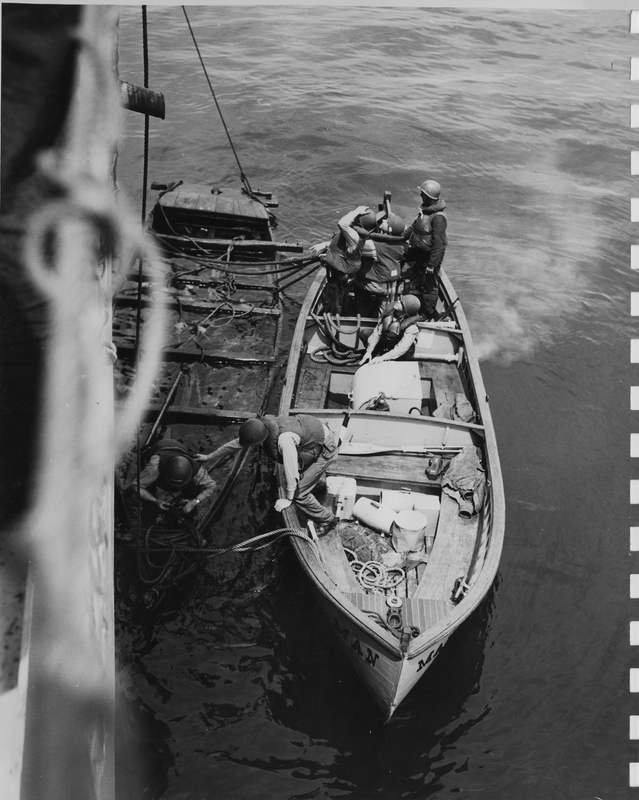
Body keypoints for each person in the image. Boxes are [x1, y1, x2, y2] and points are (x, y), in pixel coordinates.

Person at [196, 415, 338, 534]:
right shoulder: (262, 428)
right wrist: (208, 457)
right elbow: (235, 444)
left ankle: (328, 520)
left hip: (325, 448)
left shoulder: (284, 440)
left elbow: (292, 471)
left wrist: (288, 499)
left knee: (299, 495)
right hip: (313, 436)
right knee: (300, 477)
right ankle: (314, 485)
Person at [309, 205, 377, 314]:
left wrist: (356, 211)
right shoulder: (359, 234)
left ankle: (333, 318)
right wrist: (327, 245)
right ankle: (340, 314)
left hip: (342, 272)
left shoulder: (354, 235)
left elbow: (342, 223)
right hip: (346, 271)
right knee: (341, 295)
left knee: (335, 298)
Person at [401, 179, 448, 318]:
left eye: (423, 194)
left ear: (429, 196)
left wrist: (432, 265)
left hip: (430, 255)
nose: (420, 195)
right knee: (399, 254)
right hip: (419, 250)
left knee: (429, 284)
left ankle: (428, 312)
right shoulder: (425, 211)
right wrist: (399, 239)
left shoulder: (438, 218)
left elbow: (438, 244)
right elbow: (412, 228)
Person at [136, 438, 216, 514]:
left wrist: (195, 501)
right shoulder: (154, 467)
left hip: (179, 448)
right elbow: (136, 486)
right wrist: (155, 500)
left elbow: (212, 486)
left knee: (194, 489)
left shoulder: (197, 470)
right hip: (160, 447)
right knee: (149, 491)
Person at [353, 212, 406, 316]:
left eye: (387, 221)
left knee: (353, 280)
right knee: (385, 312)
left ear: (389, 229)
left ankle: (361, 308)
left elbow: (354, 250)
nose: (383, 220)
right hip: (392, 287)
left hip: (377, 286)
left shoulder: (373, 245)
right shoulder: (403, 246)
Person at [358, 293, 422, 365]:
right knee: (364, 333)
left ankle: (384, 356)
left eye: (401, 303)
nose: (398, 301)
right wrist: (369, 351)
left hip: (401, 351)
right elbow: (377, 332)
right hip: (387, 341)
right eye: (399, 300)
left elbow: (402, 348)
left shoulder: (412, 327)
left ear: (405, 312)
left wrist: (383, 358)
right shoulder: (389, 313)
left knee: (391, 363)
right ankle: (372, 355)